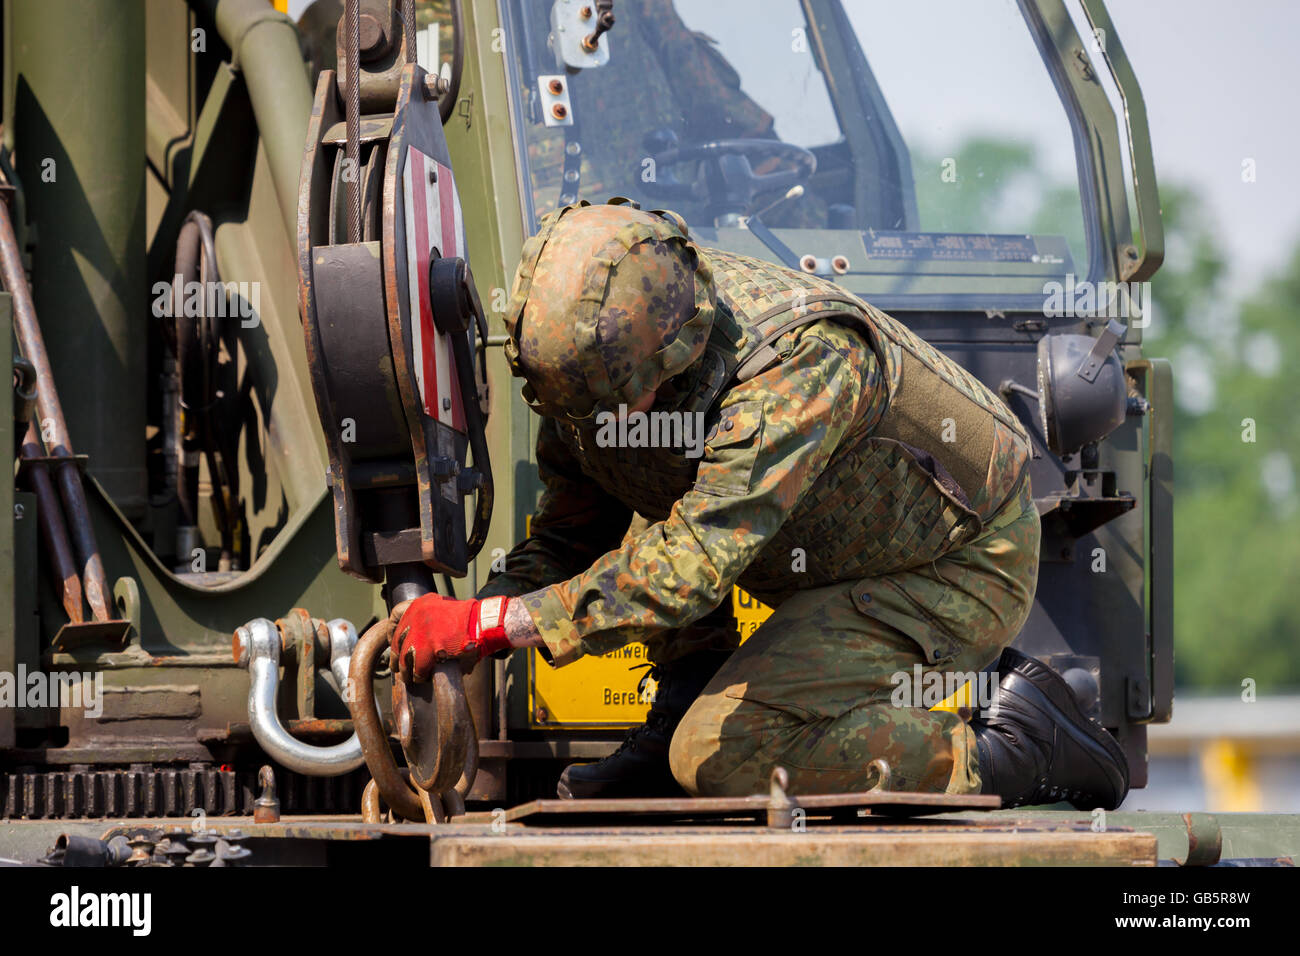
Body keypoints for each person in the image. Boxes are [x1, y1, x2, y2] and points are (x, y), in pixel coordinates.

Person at [388, 198, 1129, 810]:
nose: (593, 422)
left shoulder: (798, 365)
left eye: (610, 403)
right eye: (577, 409)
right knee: (650, 476)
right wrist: (464, 624)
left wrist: (491, 626)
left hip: (955, 564)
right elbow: (573, 531)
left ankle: (1013, 747)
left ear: (675, 354)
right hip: (832, 548)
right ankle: (678, 699)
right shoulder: (600, 363)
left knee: (722, 755)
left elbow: (694, 565)